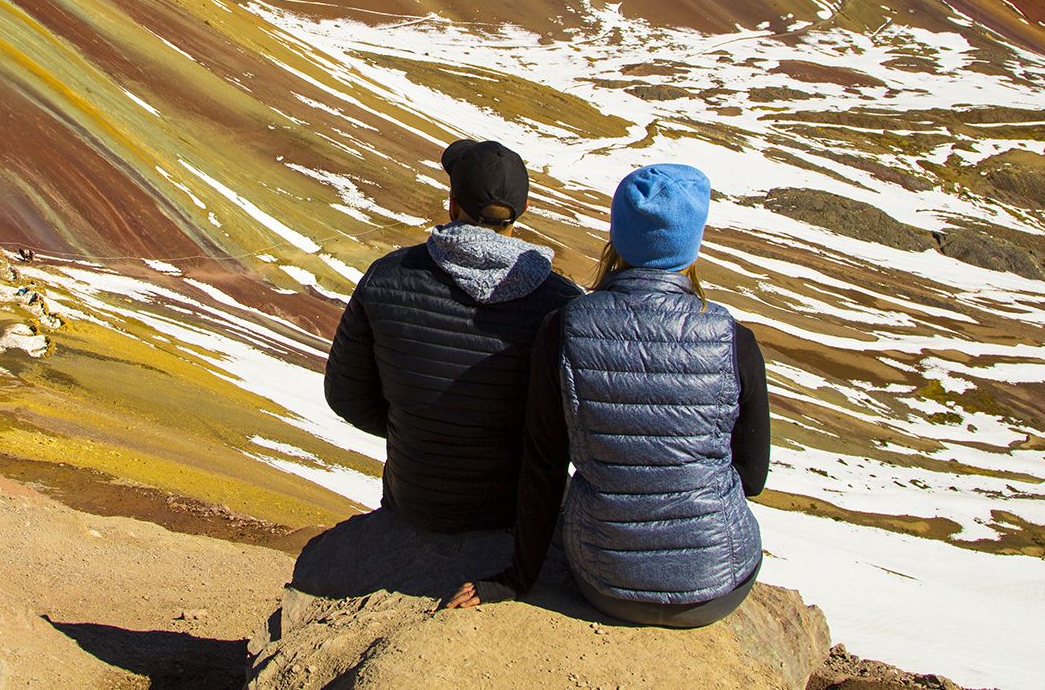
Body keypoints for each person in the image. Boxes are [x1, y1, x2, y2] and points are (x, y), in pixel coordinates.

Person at [446, 163, 770, 628]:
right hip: (717, 589)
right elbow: (752, 477)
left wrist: (516, 579)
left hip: (604, 583)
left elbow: (544, 467)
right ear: (692, 242)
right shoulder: (733, 338)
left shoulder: (565, 327)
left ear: (616, 235)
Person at [324, 139, 582, 534]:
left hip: (414, 502)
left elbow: (346, 395)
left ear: (452, 203)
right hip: (518, 515)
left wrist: (416, 427)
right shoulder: (563, 303)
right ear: (524, 211)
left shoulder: (388, 277)